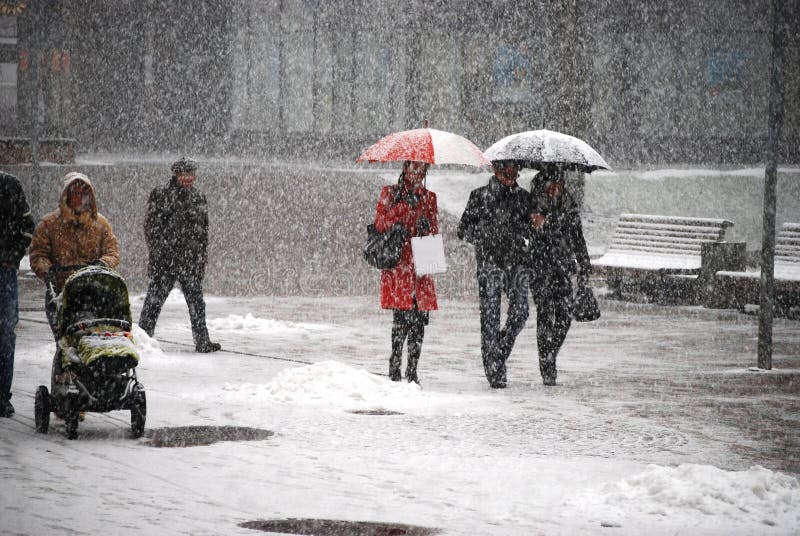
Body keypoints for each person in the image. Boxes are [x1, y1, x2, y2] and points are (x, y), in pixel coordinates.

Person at [458, 160, 531, 388]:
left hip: (517, 262)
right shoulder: (479, 196)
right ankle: (494, 370)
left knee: (521, 311)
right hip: (489, 262)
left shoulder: (524, 198)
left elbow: (531, 229)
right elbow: (463, 230)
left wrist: (531, 230)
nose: (511, 175)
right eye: (506, 170)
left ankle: (498, 350)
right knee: (490, 318)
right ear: (496, 170)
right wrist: (483, 235)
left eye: (514, 171)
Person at [139, 157, 221, 353]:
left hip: (190, 261)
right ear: (175, 174)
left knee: (197, 304)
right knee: (153, 302)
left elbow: (203, 231)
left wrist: (201, 259)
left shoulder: (198, 197)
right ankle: (141, 339)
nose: (188, 178)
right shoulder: (161, 194)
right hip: (165, 260)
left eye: (191, 174)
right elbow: (151, 227)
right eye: (184, 174)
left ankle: (202, 341)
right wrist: (160, 252)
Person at [29, 172, 120, 336]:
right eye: (75, 193)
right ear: (66, 195)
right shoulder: (49, 224)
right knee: (64, 341)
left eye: (83, 193)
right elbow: (38, 253)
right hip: (61, 293)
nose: (79, 198)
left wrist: (103, 263)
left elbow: (112, 251)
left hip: (94, 292)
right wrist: (48, 271)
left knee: (95, 336)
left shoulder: (100, 224)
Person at [374, 160, 438, 384]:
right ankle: (394, 365)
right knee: (400, 318)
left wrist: (425, 227)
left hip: (422, 262)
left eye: (422, 169)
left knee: (419, 320)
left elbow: (434, 230)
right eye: (413, 168)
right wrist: (401, 209)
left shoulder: (429, 197)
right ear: (405, 168)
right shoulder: (389, 193)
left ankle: (412, 370)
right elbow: (380, 224)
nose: (417, 173)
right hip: (399, 263)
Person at [527, 166, 592, 386]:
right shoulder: (532, 204)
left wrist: (585, 267)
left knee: (565, 315)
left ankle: (549, 353)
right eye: (551, 184)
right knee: (545, 315)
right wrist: (540, 225)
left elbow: (578, 238)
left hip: (563, 268)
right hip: (540, 268)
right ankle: (546, 365)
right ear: (542, 185)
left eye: (560, 183)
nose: (556, 188)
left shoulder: (569, 205)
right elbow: (529, 236)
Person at [0, 172, 35, 417]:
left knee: (5, 332)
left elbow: (27, 226)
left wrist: (12, 257)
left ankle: (2, 395)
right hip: (6, 268)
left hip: (5, 270)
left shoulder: (10, 186)